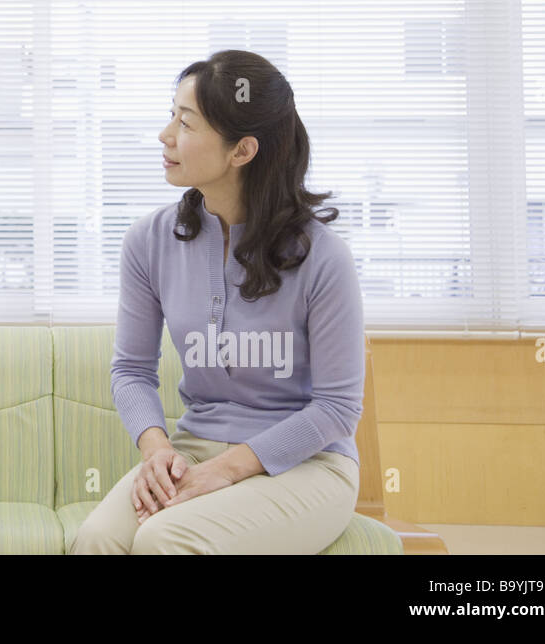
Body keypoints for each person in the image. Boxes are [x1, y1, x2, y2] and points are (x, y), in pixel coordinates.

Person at [72, 50, 365, 554]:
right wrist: (156, 449)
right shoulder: (149, 241)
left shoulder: (323, 257)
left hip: (308, 463)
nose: (165, 135)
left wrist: (226, 470)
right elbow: (132, 370)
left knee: (164, 538)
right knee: (99, 539)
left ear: (242, 151)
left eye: (186, 123)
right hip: (195, 446)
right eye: (171, 116)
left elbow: (337, 409)